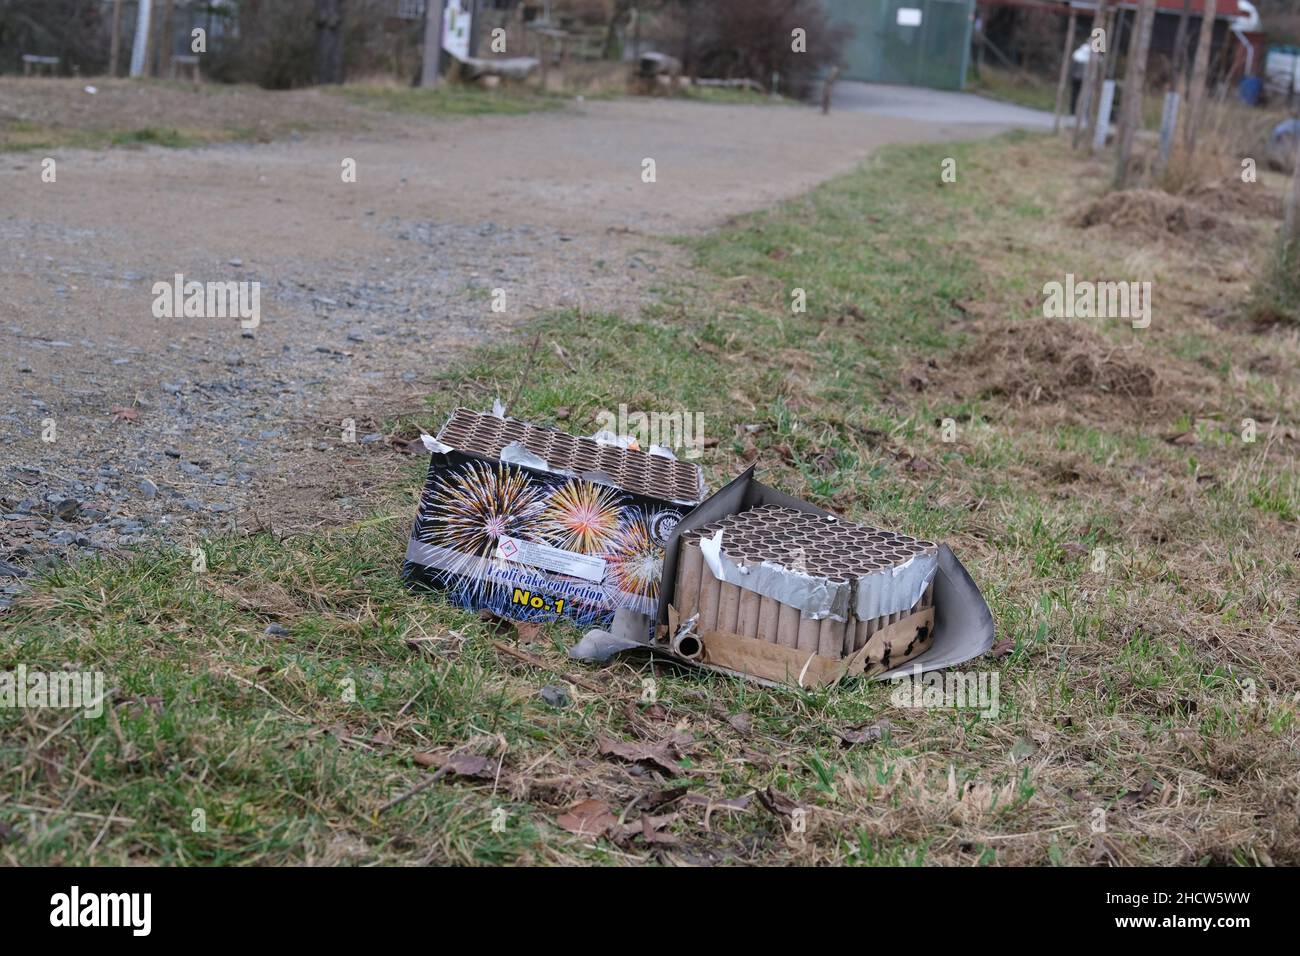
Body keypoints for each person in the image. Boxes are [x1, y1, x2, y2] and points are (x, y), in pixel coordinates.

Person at [1070, 42, 1091, 113]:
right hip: (1083, 79)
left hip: (1075, 78)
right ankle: (1082, 111)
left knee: (1074, 95)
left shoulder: (1077, 54)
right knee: (1084, 96)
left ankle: (1072, 110)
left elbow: (1072, 67)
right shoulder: (1089, 55)